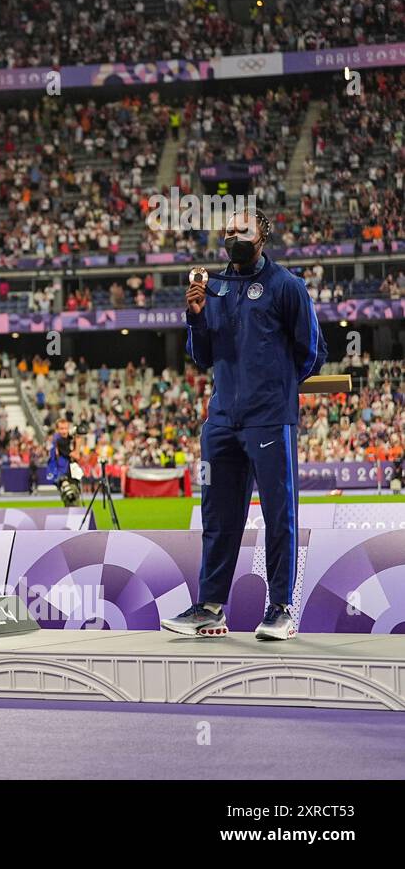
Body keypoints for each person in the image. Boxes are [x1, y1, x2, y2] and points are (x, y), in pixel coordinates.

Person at [163, 208, 326, 641]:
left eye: (243, 229)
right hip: (220, 423)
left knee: (279, 514)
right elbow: (202, 357)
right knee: (217, 516)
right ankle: (210, 608)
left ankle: (280, 610)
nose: (233, 235)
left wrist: (278, 389)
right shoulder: (210, 287)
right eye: (228, 229)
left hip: (270, 420)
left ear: (262, 236)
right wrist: (196, 315)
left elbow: (313, 352)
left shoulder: (287, 287)